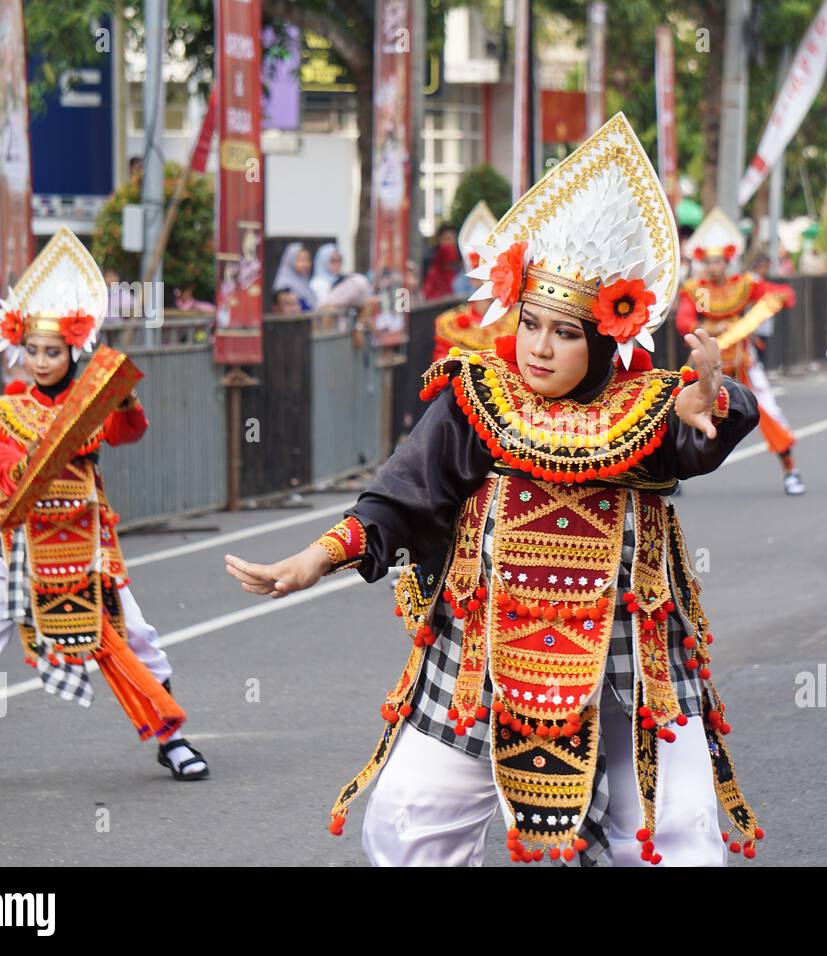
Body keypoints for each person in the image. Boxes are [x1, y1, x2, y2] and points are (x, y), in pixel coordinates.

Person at [225, 114, 766, 867]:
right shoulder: (478, 399)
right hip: (483, 656)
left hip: (627, 661)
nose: (540, 347)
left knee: (675, 837)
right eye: (532, 323)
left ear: (605, 337)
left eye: (566, 332)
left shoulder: (648, 407)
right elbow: (405, 493)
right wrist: (317, 557)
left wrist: (720, 402)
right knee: (405, 822)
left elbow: (706, 430)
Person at [0, 228, 209, 797]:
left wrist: (119, 395)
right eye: (33, 352)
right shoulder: (5, 409)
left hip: (82, 543)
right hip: (12, 544)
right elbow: (2, 468)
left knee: (138, 634)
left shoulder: (90, 402)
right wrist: (27, 468)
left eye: (53, 351)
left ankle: (173, 739)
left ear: (73, 349)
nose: (41, 361)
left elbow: (129, 431)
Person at [677, 209, 804, 495]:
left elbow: (777, 292)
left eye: (718, 261)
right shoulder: (699, 289)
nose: (713, 267)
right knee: (684, 408)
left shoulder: (743, 284)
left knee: (768, 409)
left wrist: (777, 299)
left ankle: (791, 471)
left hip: (742, 358)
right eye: (708, 262)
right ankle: (675, 475)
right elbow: (687, 319)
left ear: (727, 261)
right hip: (708, 359)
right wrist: (706, 325)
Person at [432, 201, 516, 361]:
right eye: (483, 272)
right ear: (472, 277)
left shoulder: (520, 322)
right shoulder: (450, 324)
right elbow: (440, 374)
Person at [421, 225, 463, 301]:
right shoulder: (429, 263)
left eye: (452, 239)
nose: (449, 243)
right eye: (447, 239)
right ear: (439, 240)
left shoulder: (462, 267)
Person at [272, 242, 315, 311]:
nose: (305, 264)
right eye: (301, 260)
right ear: (290, 261)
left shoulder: (305, 283)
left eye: (308, 260)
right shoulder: (284, 288)